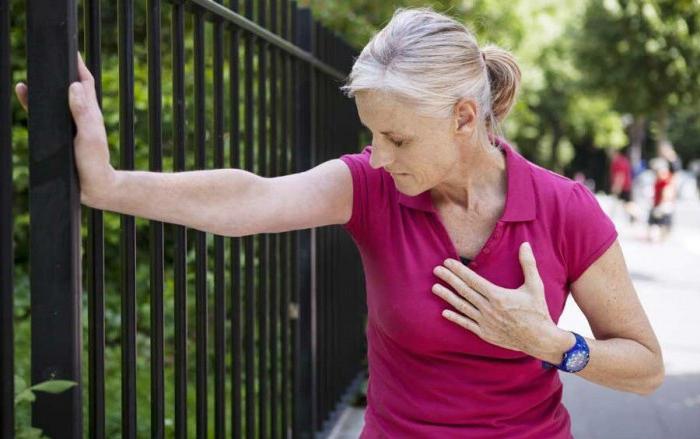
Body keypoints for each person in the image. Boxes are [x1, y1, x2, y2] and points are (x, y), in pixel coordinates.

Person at [15, 7, 664, 438]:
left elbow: (644, 365)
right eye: (371, 135)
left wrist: (553, 344)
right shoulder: (372, 188)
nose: (378, 156)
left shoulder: (562, 207)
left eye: (398, 139)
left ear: (465, 118)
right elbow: (249, 200)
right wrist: (108, 184)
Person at [647, 158, 676, 243]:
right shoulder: (660, 180)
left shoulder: (665, 180)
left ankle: (661, 238)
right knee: (657, 222)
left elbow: (667, 193)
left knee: (662, 222)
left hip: (663, 205)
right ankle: (659, 238)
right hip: (659, 204)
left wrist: (661, 204)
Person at [609, 146, 638, 223]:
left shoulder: (618, 161)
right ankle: (635, 216)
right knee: (626, 204)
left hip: (624, 187)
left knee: (627, 204)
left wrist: (617, 187)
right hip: (627, 186)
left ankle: (636, 215)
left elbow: (620, 175)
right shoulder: (624, 160)